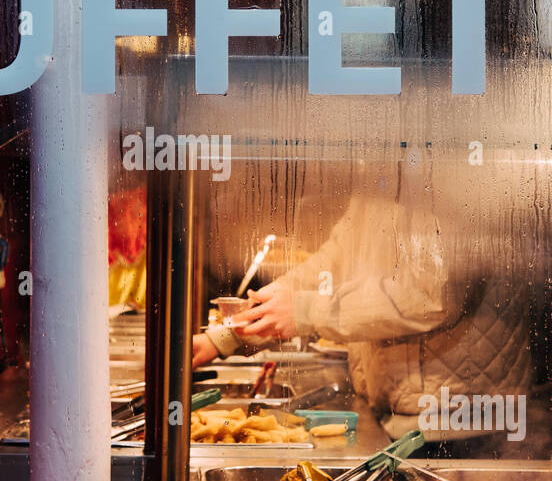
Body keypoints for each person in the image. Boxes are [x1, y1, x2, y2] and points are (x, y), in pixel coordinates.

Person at [192, 191, 532, 447]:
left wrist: (306, 310)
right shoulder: (382, 172)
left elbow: (428, 295)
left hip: (461, 424)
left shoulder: (442, 166)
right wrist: (227, 334)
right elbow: (335, 261)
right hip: (402, 415)